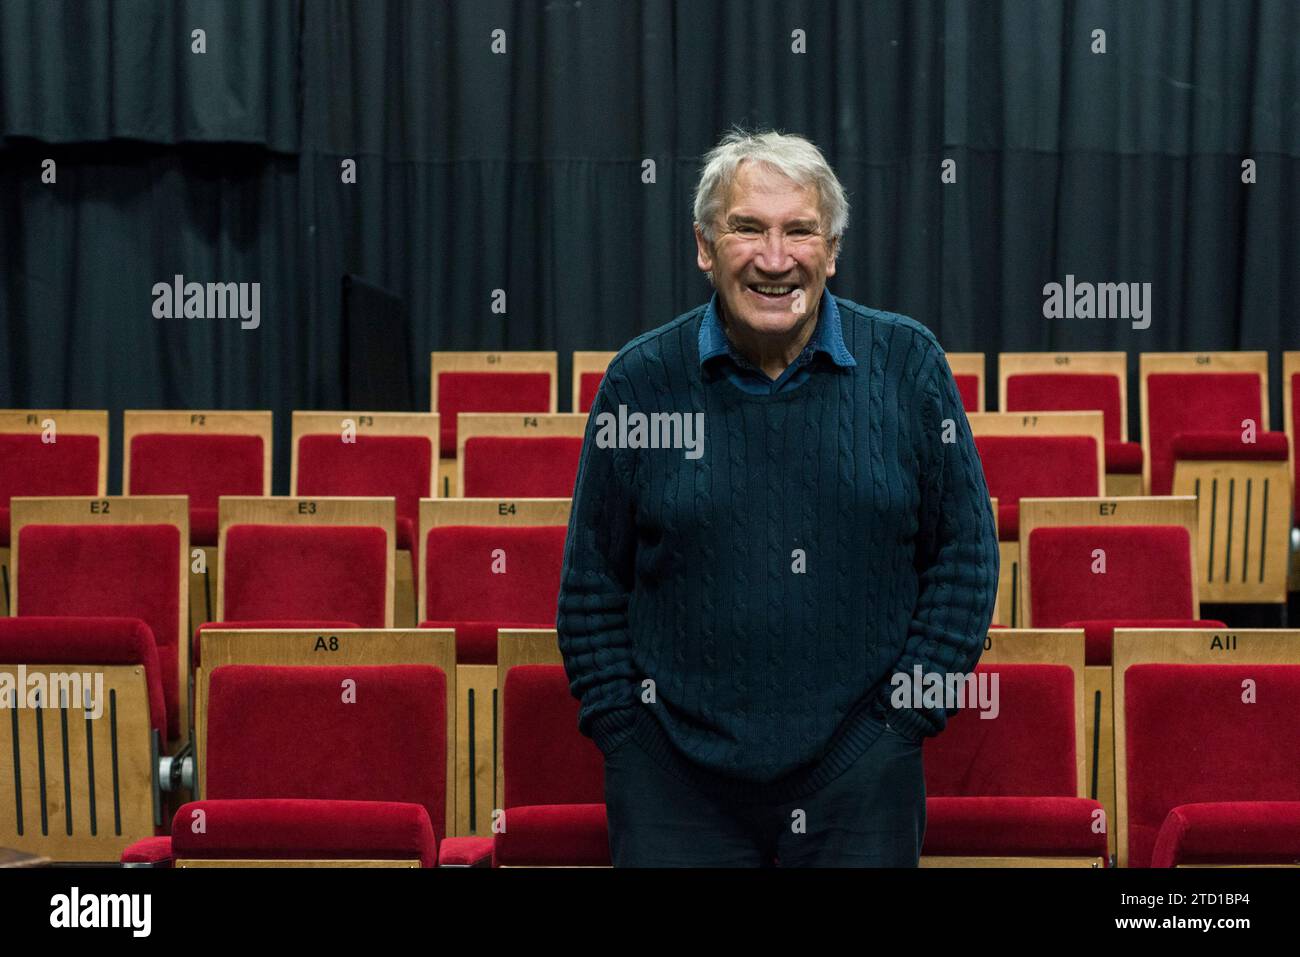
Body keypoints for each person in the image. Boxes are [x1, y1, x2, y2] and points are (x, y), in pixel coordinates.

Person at [557, 128, 998, 867]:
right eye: (746, 229)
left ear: (831, 250)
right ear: (704, 245)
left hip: (862, 779)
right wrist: (628, 738)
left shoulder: (908, 365)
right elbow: (592, 584)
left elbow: (965, 561)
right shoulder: (640, 382)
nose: (774, 257)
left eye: (799, 230)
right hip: (675, 789)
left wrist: (900, 724)